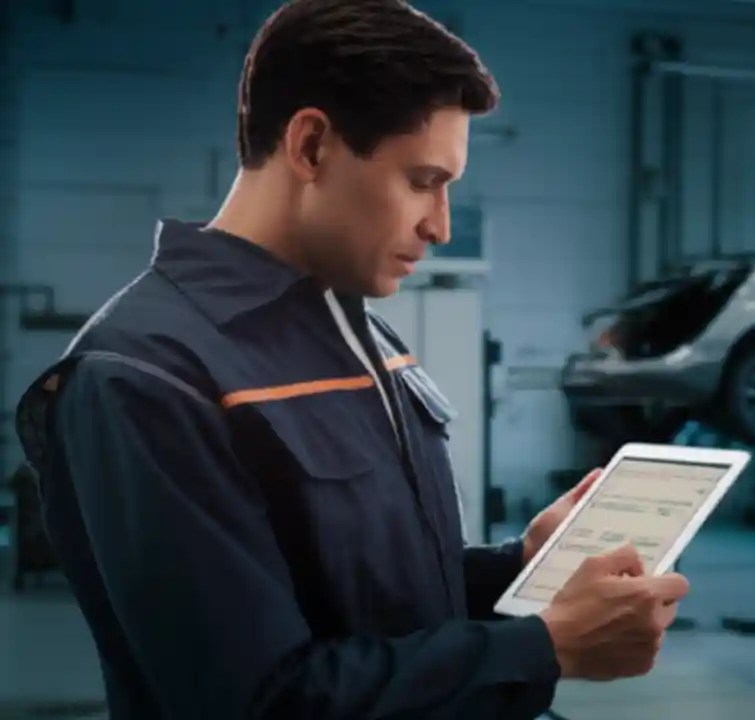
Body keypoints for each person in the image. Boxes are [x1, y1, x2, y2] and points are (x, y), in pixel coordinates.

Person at [12, 1, 690, 717]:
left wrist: (521, 567)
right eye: (422, 180)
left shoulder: (363, 336)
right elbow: (261, 700)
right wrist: (546, 649)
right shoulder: (146, 376)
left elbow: (377, 598)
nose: (441, 224)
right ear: (310, 146)